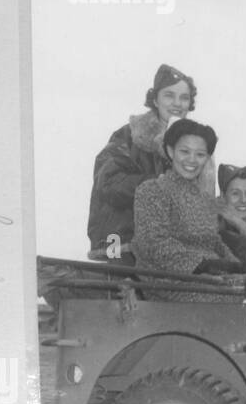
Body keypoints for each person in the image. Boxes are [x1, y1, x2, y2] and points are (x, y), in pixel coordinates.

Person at [86, 63, 215, 261]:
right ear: (155, 99)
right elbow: (108, 184)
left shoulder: (197, 146)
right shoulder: (129, 136)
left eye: (184, 97)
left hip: (175, 247)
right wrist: (162, 183)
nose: (177, 103)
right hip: (121, 243)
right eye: (169, 95)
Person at [133, 119, 246, 301]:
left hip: (209, 279)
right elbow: (153, 243)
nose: (192, 160)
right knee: (237, 300)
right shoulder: (152, 190)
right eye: (185, 151)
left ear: (207, 158)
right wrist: (202, 264)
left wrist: (236, 265)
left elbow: (214, 242)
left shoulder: (204, 199)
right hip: (170, 282)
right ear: (171, 151)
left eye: (200, 154)